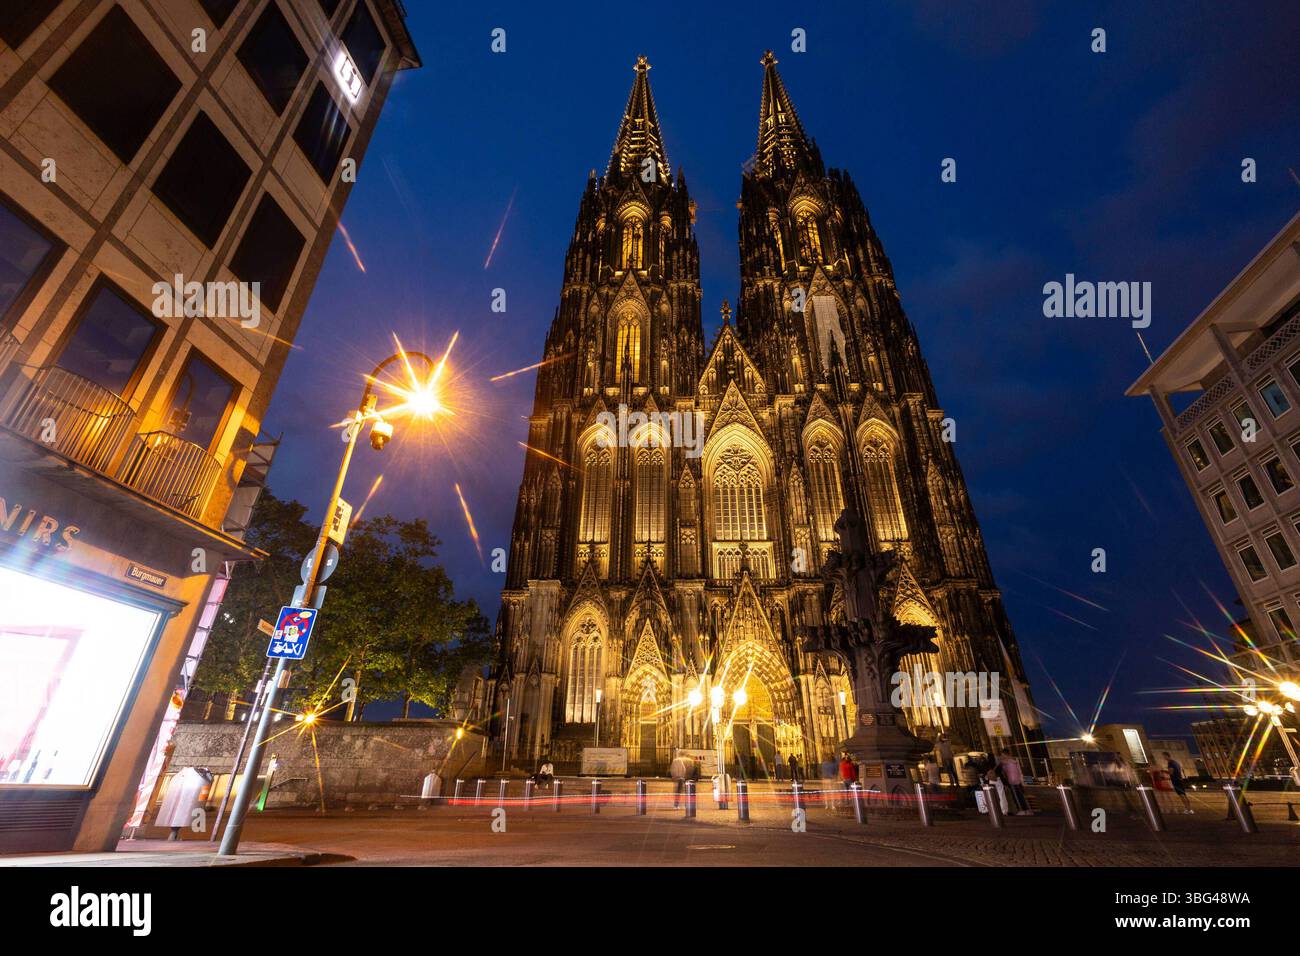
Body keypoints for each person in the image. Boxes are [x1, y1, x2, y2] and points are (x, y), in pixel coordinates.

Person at [997, 750, 1029, 814]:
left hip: (1012, 781)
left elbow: (1003, 771)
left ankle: (1020, 810)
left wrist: (1000, 762)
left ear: (1006, 754)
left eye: (1002, 755)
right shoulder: (1014, 761)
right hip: (1018, 781)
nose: (1002, 756)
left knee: (1016, 796)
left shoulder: (1005, 762)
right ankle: (1026, 809)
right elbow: (1019, 771)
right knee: (1020, 796)